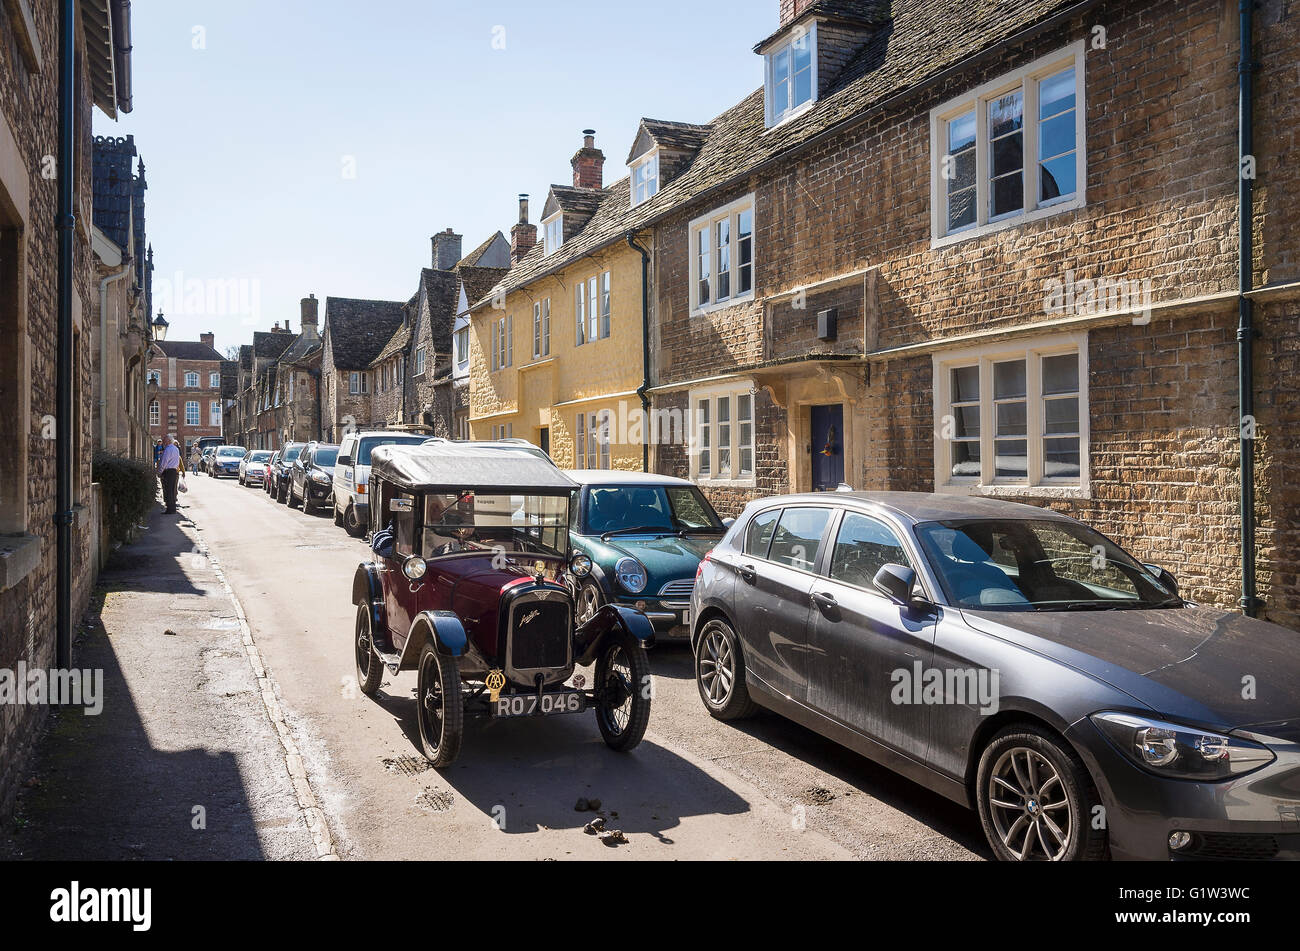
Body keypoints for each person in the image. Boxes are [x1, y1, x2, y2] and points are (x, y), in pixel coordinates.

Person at [156, 434, 186, 514]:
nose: (163, 441)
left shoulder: (168, 449)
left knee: (168, 490)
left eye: (164, 440)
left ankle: (170, 509)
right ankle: (172, 508)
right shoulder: (176, 449)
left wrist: (159, 472)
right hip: (174, 471)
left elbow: (164, 462)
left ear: (168, 440)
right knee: (172, 490)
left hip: (168, 471)